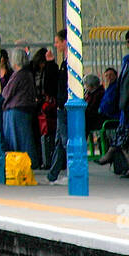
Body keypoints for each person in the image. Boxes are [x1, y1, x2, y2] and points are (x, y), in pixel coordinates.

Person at [1, 49, 40, 168]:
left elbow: (7, 92)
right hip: (24, 110)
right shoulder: (27, 74)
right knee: (25, 137)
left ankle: (22, 162)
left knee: (16, 138)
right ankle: (29, 161)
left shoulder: (18, 75)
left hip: (16, 110)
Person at [46, 30, 70, 183]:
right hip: (62, 106)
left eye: (57, 42)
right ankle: (53, 174)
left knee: (65, 140)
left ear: (65, 42)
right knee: (60, 141)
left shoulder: (70, 64)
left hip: (66, 106)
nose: (55, 45)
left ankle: (70, 172)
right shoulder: (63, 63)